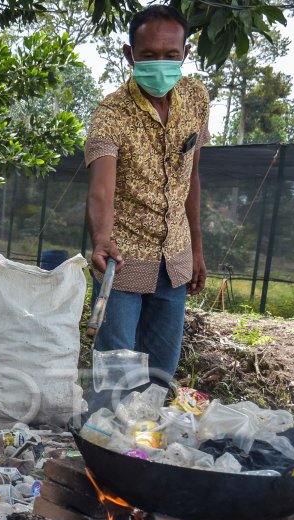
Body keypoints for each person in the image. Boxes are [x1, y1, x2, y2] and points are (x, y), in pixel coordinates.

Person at [85, 3, 209, 393]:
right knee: (117, 367)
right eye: (149, 55)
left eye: (171, 55)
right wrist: (101, 238)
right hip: (122, 261)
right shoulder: (111, 113)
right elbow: (101, 189)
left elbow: (192, 177)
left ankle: (146, 448)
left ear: (185, 54)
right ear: (130, 55)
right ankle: (108, 444)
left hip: (175, 258)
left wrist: (197, 251)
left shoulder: (195, 98)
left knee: (161, 369)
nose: (161, 64)